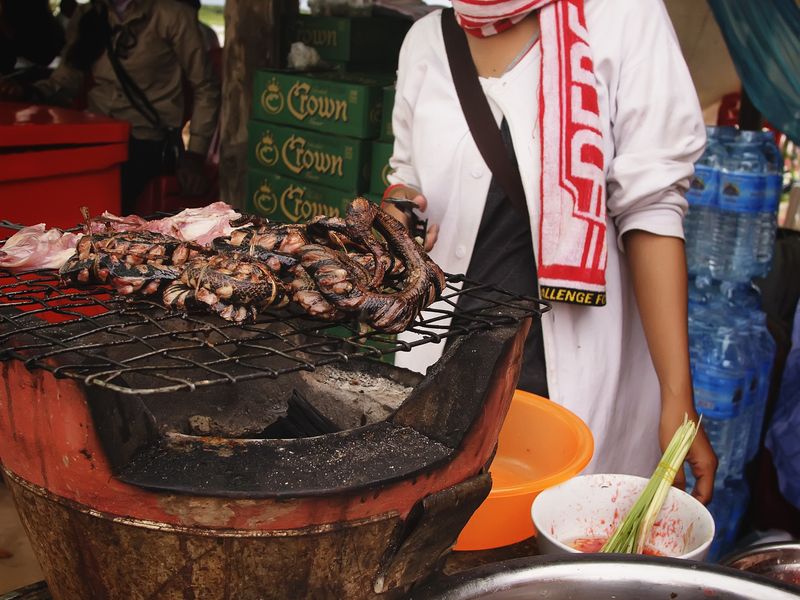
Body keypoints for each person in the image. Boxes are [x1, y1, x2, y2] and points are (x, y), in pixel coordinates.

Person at [383, 0, 718, 502]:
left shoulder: (623, 17)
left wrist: (676, 396)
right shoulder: (427, 40)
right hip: (444, 379)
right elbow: (405, 178)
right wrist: (398, 213)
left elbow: (652, 210)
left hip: (565, 389)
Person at [0, 0, 220, 215]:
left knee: (120, 220)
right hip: (95, 138)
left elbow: (205, 88)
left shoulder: (171, 15)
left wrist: (194, 156)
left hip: (148, 141)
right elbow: (67, 79)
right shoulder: (90, 14)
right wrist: (28, 92)